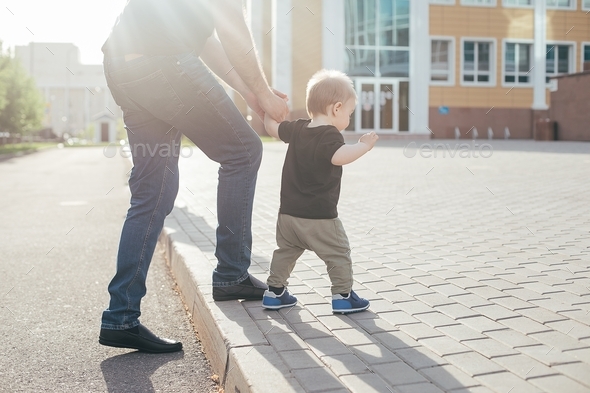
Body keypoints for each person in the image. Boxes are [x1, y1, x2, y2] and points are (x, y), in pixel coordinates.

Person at [98, 0, 289, 353]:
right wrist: (263, 93)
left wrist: (248, 93)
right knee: (243, 152)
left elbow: (205, 42)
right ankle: (231, 273)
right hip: (162, 61)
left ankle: (120, 316)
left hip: (124, 65)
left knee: (153, 191)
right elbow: (230, 21)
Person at [261, 69, 378, 314]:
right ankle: (343, 296)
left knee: (286, 251)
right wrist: (363, 146)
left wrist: (266, 109)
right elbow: (339, 157)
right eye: (349, 112)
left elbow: (273, 128)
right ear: (336, 108)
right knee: (338, 252)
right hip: (319, 217)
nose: (349, 117)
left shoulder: (297, 128)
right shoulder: (330, 135)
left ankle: (274, 292)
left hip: (288, 215)